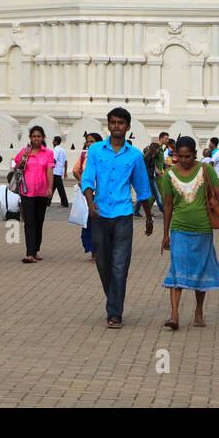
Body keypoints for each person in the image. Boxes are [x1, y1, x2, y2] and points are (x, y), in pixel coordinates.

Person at [81, 107, 154, 329]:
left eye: (121, 123)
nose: (116, 126)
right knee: (103, 263)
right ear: (108, 124)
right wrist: (90, 203)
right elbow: (87, 180)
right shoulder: (95, 151)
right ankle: (114, 298)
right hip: (100, 213)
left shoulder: (134, 156)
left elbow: (142, 188)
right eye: (113, 122)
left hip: (123, 214)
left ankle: (114, 312)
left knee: (120, 265)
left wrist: (149, 217)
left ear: (128, 127)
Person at [158, 136, 219, 330]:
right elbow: (167, 205)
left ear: (195, 154)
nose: (184, 160)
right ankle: (174, 315)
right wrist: (165, 234)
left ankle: (198, 311)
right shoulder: (169, 175)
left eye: (187, 156)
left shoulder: (206, 170)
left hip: (203, 229)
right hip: (179, 229)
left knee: (200, 271)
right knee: (177, 270)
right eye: (179, 156)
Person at [12, 125, 55, 263]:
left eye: (39, 136)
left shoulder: (48, 153)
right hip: (27, 191)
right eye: (34, 136)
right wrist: (23, 159)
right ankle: (29, 253)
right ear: (30, 138)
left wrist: (50, 187)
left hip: (42, 191)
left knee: (39, 221)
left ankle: (36, 249)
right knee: (29, 222)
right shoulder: (25, 151)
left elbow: (49, 171)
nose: (36, 139)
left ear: (43, 138)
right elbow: (16, 168)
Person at [73, 132, 103, 261]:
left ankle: (101, 250)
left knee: (100, 225)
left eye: (92, 141)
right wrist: (82, 180)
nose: (89, 144)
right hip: (88, 195)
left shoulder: (104, 156)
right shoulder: (83, 156)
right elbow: (75, 170)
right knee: (89, 224)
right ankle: (93, 252)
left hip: (101, 195)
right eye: (88, 141)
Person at [49, 136, 70, 207]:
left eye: (53, 141)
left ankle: (65, 203)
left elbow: (53, 160)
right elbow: (66, 161)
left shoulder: (56, 150)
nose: (52, 142)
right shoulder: (62, 150)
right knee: (52, 187)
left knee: (59, 188)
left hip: (55, 171)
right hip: (59, 171)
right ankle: (47, 202)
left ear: (56, 142)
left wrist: (49, 169)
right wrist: (65, 172)